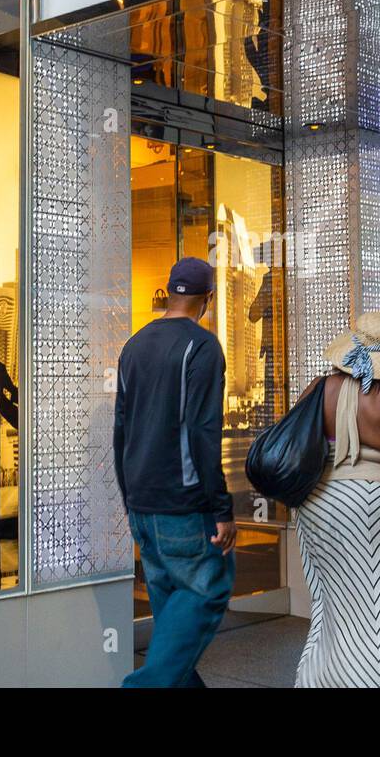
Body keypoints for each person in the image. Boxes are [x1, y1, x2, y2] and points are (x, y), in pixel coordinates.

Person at [114, 257, 235, 687]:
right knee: (210, 587)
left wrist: (130, 501)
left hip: (144, 507)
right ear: (207, 299)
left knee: (170, 629)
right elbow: (204, 431)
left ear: (168, 291)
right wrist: (221, 507)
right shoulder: (202, 348)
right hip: (184, 508)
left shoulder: (133, 347)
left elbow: (121, 431)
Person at [292, 311, 380, 688]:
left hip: (320, 505)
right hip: (375, 505)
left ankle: (321, 679)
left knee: (330, 603)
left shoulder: (319, 389)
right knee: (373, 610)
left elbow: (293, 440)